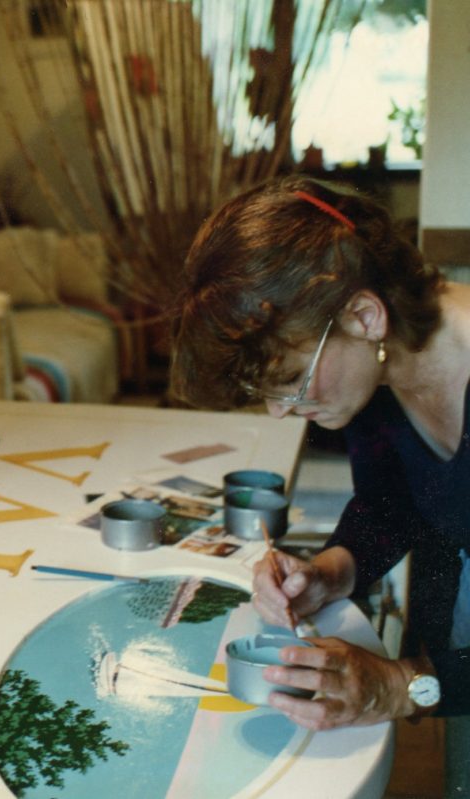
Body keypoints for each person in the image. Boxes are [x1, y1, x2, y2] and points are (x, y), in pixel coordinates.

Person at [171, 174, 470, 739]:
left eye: (290, 380)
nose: (277, 412)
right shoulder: (377, 364)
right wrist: (329, 573)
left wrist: (399, 684)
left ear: (364, 316)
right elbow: (391, 506)